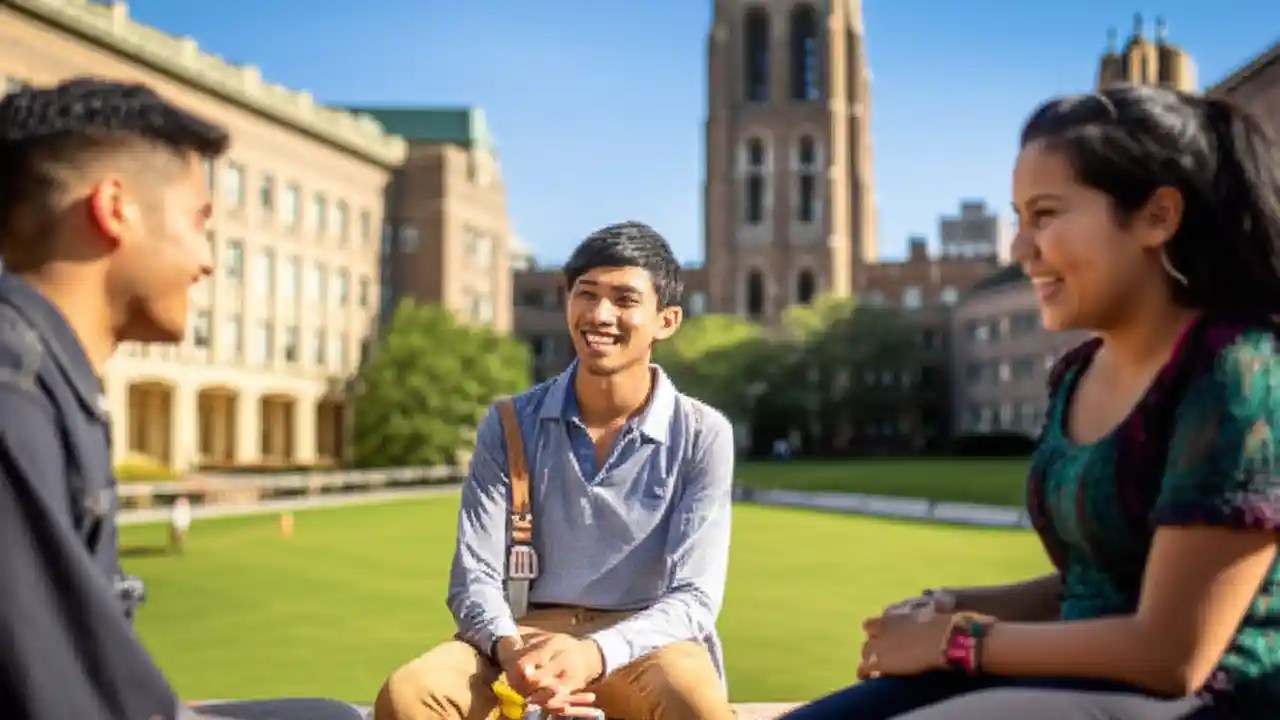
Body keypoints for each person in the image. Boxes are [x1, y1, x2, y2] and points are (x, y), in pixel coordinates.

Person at [781, 84, 1280, 720]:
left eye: (1044, 216)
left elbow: (1171, 653)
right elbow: (1093, 586)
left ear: (1158, 217)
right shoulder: (1076, 375)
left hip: (1205, 702)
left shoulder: (1239, 371)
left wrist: (959, 641)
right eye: (1018, 219)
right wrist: (952, 603)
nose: (1020, 251)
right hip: (1080, 681)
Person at [0, 78, 364, 720]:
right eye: (200, 222)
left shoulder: (50, 374)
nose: (207, 261)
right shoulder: (14, 388)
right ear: (115, 208)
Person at [373, 221, 738, 720]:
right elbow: (474, 578)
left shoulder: (702, 432)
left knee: (696, 704)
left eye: (625, 299)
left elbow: (694, 598)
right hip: (520, 637)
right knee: (409, 695)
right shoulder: (510, 423)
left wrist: (593, 652)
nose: (600, 314)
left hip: (645, 646)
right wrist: (512, 652)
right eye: (586, 294)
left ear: (666, 320)